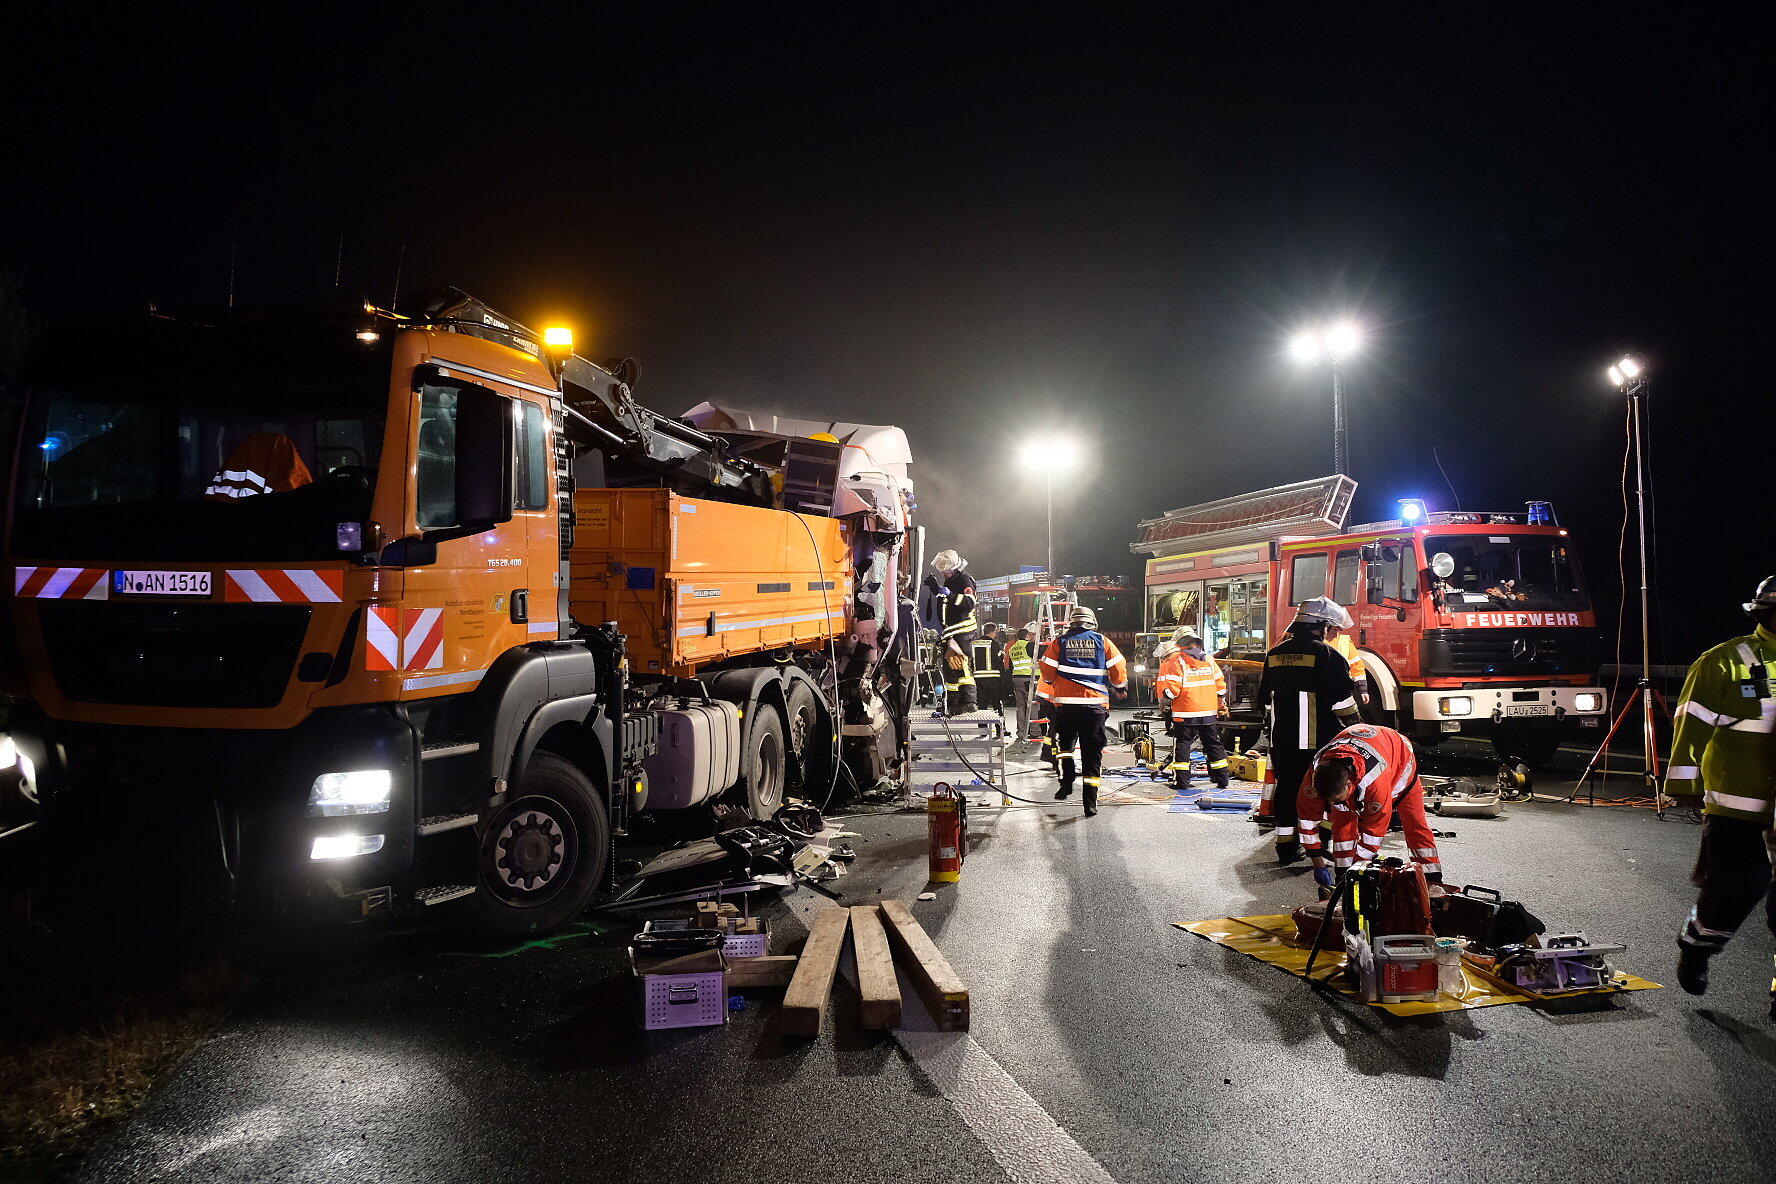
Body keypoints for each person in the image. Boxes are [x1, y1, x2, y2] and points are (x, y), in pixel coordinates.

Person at [1666, 576, 1776, 1013]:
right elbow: (1690, 725)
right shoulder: (1727, 661)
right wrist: (1685, 785)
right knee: (1735, 889)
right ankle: (1696, 948)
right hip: (1736, 806)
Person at [1254, 597, 1362, 864]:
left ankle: (1286, 847)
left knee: (1287, 791)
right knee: (1324, 792)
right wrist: (1358, 731)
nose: (1334, 634)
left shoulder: (1275, 654)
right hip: (1319, 744)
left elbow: (1264, 701)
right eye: (1333, 628)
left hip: (1282, 742)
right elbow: (1343, 703)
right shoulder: (1328, 656)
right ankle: (1320, 843)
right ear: (1322, 626)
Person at [1297, 722, 1444, 893]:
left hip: (1399, 759)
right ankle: (1342, 873)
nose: (1331, 804)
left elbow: (1373, 833)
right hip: (1366, 747)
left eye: (1335, 799)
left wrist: (1357, 870)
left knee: (1414, 821)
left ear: (1348, 785)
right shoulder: (1315, 776)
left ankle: (1431, 878)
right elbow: (1307, 821)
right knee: (1342, 821)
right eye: (1328, 800)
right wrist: (1317, 863)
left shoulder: (1376, 781)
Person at [1039, 604, 1128, 816]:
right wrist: (1120, 689)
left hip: (1066, 707)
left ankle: (1067, 782)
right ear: (1092, 622)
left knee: (1065, 748)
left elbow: (1047, 670)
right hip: (1094, 707)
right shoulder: (1103, 641)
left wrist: (1053, 681)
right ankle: (1090, 803)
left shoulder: (1059, 642)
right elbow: (1118, 667)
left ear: (1072, 622)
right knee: (1092, 755)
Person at [1155, 625, 1230, 792]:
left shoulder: (1177, 660)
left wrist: (1165, 701)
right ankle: (1222, 778)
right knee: (1213, 743)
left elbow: (1172, 690)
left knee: (1183, 744)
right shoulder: (1209, 659)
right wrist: (1219, 703)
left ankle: (1182, 781)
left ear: (1179, 643)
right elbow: (1221, 686)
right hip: (1208, 711)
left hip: (1186, 711)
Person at [926, 549, 980, 714]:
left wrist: (950, 595)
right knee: (951, 668)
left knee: (962, 665)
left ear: (954, 567)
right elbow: (945, 600)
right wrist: (935, 588)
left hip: (962, 629)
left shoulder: (964, 579)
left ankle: (969, 702)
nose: (943, 573)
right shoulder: (951, 581)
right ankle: (953, 704)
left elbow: (969, 603)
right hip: (951, 631)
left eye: (946, 570)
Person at [1006, 623, 1037, 744]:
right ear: (1027, 636)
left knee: (1020, 707)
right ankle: (1034, 731)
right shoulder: (1029, 645)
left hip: (1016, 678)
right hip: (1028, 678)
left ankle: (1021, 732)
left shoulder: (1012, 648)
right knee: (1032, 704)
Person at [972, 624, 1006, 716]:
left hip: (978, 678)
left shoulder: (974, 644)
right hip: (993, 678)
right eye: (995, 632)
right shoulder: (994, 644)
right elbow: (999, 660)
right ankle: (999, 728)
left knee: (982, 704)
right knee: (996, 703)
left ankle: (982, 727)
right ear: (991, 632)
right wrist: (1003, 677)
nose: (996, 634)